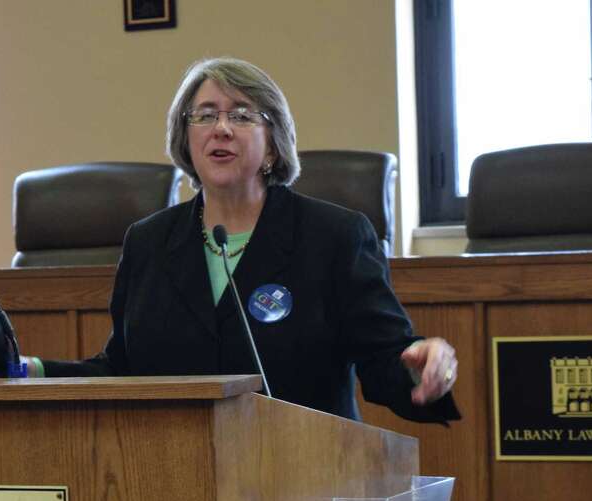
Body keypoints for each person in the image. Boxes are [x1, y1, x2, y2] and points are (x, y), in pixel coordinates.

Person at [29, 57, 459, 424]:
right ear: (186, 138)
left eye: (240, 114)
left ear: (272, 145)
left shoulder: (334, 238)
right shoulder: (149, 243)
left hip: (303, 483)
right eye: (204, 115)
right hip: (173, 482)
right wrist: (33, 370)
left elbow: (385, 359)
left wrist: (422, 366)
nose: (221, 128)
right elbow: (124, 372)